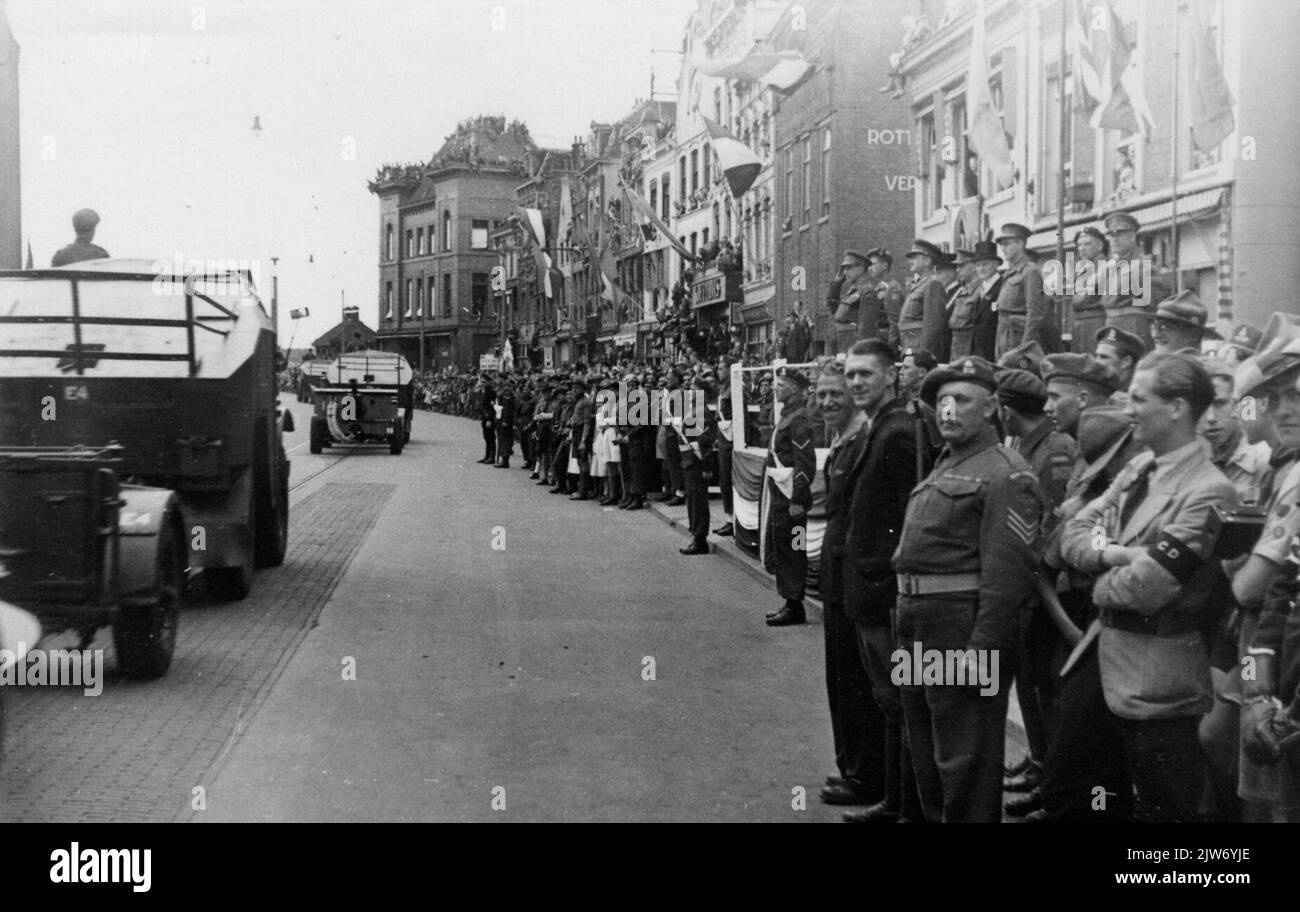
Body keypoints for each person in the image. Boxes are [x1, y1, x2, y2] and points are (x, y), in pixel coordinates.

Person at [1060, 353, 1239, 822]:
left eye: (1140, 399)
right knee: (1079, 794)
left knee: (1162, 812)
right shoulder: (1140, 467)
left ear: (1177, 407)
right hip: (1104, 655)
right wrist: (1115, 555)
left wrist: (1095, 575)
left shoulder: (1209, 489)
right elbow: (1073, 533)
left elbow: (1148, 588)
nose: (1129, 410)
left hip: (1157, 675)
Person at [891, 356, 1043, 822]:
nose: (949, 411)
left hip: (959, 627)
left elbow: (1007, 577)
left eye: (962, 400)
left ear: (994, 406)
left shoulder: (1007, 473)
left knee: (964, 758)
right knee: (927, 751)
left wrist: (983, 651)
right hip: (919, 621)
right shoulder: (949, 461)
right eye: (942, 401)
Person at [839, 339, 927, 822]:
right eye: (850, 374)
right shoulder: (881, 426)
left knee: (901, 702)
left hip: (886, 594)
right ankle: (894, 802)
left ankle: (906, 807)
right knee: (890, 702)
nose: (855, 383)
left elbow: (911, 516)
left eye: (865, 374)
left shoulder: (899, 431)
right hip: (870, 592)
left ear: (891, 375)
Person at [995, 368, 1078, 817]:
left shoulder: (1056, 449)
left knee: (1048, 687)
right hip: (1027, 584)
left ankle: (1052, 779)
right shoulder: (1026, 445)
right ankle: (1040, 760)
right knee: (1028, 683)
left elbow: (1053, 522)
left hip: (1048, 586)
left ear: (1008, 410)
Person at [812, 356, 889, 810]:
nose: (826, 403)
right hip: (836, 577)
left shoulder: (864, 439)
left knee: (858, 685)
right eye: (821, 396)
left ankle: (865, 775)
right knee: (841, 681)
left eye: (835, 395)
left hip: (854, 579)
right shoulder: (843, 439)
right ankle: (852, 768)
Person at [763, 367, 817, 625]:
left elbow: (805, 464)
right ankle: (790, 601)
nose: (776, 389)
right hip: (782, 494)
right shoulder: (788, 414)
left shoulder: (799, 419)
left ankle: (795, 605)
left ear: (795, 389)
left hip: (792, 499)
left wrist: (797, 499)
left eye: (781, 385)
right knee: (786, 547)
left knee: (794, 548)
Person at [1101, 211, 1170, 349]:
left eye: (1119, 234)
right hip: (1111, 326)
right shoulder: (1109, 268)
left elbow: (1152, 305)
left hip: (1135, 327)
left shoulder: (1144, 265)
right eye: (1111, 235)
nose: (1114, 239)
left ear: (1132, 236)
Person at [994, 223, 1057, 359]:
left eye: (1007, 244)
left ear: (1021, 244)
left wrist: (1025, 347)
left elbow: (1035, 313)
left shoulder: (1030, 271)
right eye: (1002, 245)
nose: (1003, 248)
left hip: (1018, 339)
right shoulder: (1009, 273)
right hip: (1004, 335)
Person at [676, 377, 717, 556]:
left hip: (696, 462)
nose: (689, 392)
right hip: (688, 460)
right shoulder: (693, 410)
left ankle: (700, 539)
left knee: (698, 502)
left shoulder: (701, 412)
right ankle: (696, 536)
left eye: (693, 389)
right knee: (693, 501)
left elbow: (703, 442)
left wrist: (707, 466)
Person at [898, 240, 948, 359]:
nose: (910, 261)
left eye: (914, 257)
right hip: (910, 347)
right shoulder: (919, 285)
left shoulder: (933, 284)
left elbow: (933, 326)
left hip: (920, 351)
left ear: (927, 260)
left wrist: (925, 355)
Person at [1151, 290, 1212, 355]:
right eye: (1154, 326)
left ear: (1193, 334)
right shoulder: (1158, 362)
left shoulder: (1194, 364)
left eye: (1165, 327)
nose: (1155, 335)